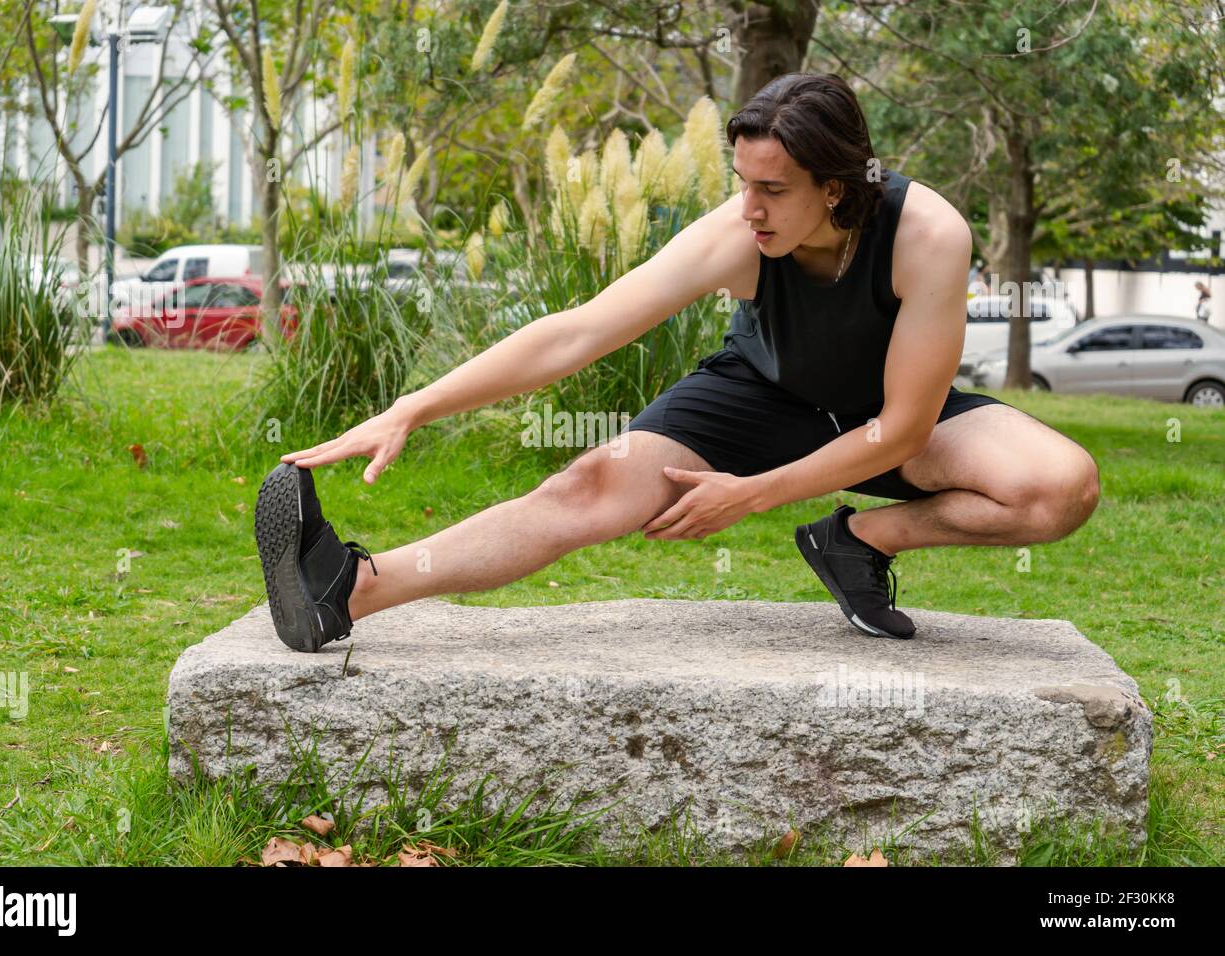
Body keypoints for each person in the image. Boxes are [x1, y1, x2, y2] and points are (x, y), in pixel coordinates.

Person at [254, 71, 1101, 653]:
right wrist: (415, 406)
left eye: (772, 190)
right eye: (741, 181)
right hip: (759, 393)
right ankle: (349, 590)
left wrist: (757, 495)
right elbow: (574, 332)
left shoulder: (929, 237)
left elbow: (905, 426)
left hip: (886, 413)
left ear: (835, 187)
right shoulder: (740, 237)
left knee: (1061, 488)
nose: (748, 208)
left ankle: (858, 541)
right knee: (587, 487)